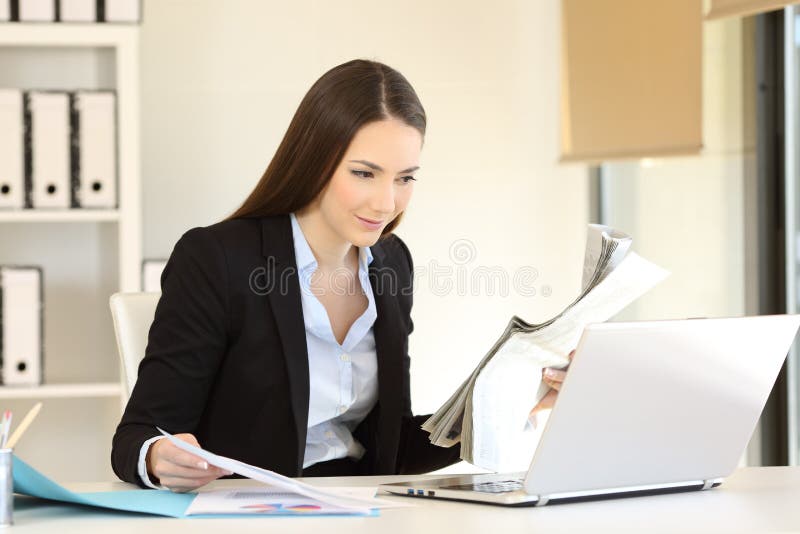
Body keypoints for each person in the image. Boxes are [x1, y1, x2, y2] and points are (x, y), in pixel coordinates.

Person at [111, 59, 568, 493]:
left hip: (357, 506)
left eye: (405, 178)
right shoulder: (216, 258)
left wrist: (509, 401)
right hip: (248, 512)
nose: (386, 203)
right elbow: (137, 436)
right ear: (315, 160)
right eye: (365, 174)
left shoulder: (390, 264)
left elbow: (392, 448)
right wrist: (157, 456)